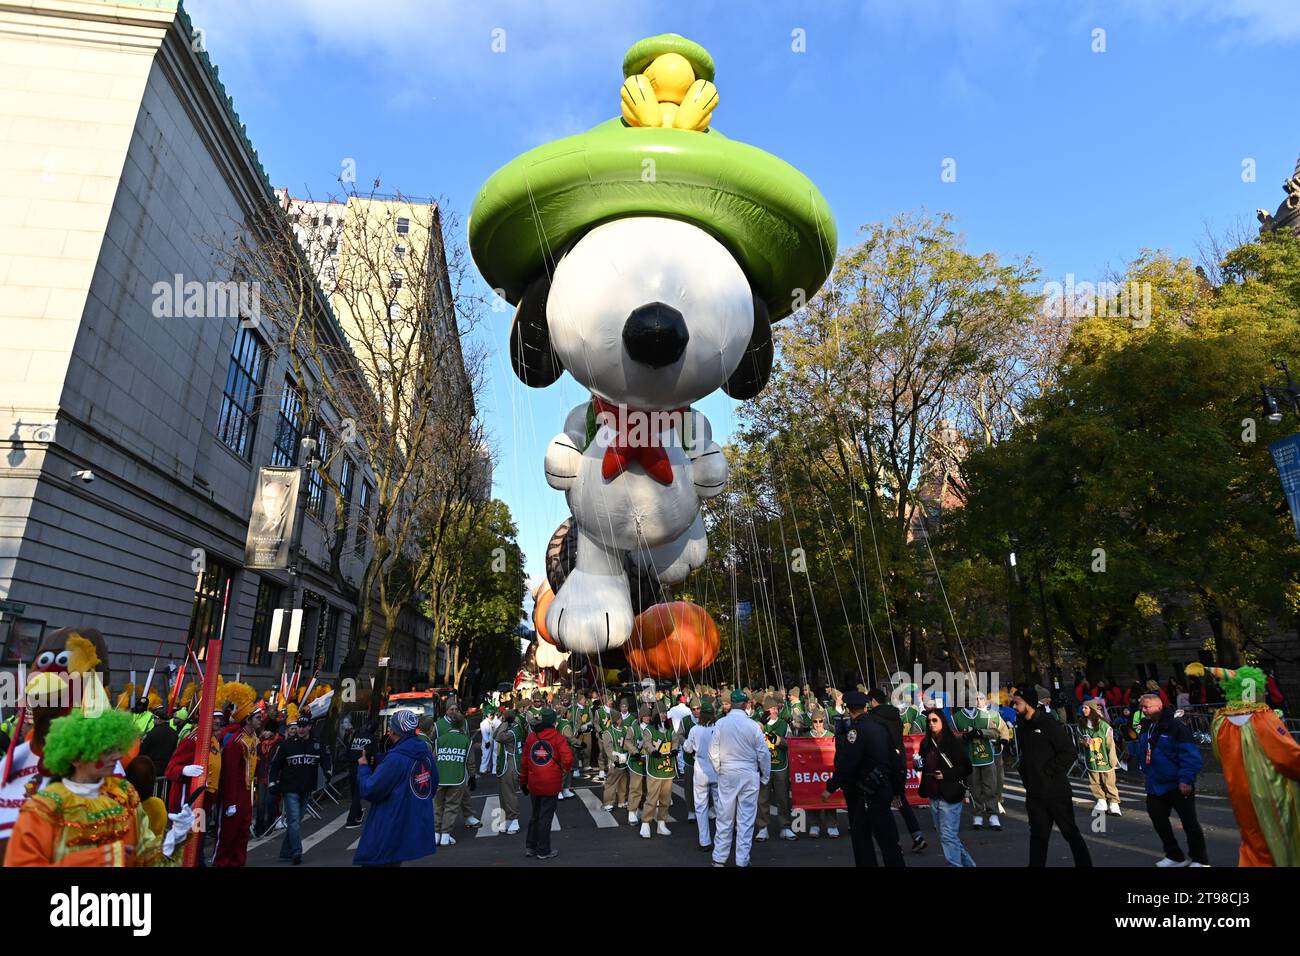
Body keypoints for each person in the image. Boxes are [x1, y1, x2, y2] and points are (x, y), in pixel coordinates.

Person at [4, 710, 193, 867]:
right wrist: (100, 859)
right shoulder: (45, 807)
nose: (118, 756)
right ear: (76, 758)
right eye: (106, 750)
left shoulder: (123, 794)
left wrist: (174, 839)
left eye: (117, 748)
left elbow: (146, 858)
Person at [822, 690, 903, 867]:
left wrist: (831, 787)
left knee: (862, 841)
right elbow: (895, 760)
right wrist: (897, 790)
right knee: (888, 840)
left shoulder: (856, 731)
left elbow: (848, 763)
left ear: (849, 709)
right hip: (883, 787)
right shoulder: (881, 726)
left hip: (862, 793)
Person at [1013, 687, 1092, 867]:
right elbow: (1027, 757)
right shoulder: (1023, 726)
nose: (1014, 707)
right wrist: (1026, 776)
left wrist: (1049, 771)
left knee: (1070, 832)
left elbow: (1068, 752)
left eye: (1017, 703)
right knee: (1038, 835)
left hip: (1055, 791)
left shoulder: (1048, 723)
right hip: (1035, 793)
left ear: (1029, 703)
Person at [353, 710, 437, 866]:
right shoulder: (425, 753)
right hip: (409, 823)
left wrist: (363, 768)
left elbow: (370, 789)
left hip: (389, 825)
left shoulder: (396, 759)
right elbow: (430, 787)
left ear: (392, 731)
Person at [1135, 692, 1208, 867]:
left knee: (1189, 822)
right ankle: (1175, 855)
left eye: (1146, 707)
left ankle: (1200, 859)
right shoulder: (1147, 727)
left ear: (1158, 707)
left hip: (1177, 783)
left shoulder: (1176, 727)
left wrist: (1186, 779)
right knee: (1158, 819)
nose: (1142, 710)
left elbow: (1190, 755)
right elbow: (1144, 751)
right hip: (1155, 783)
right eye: (1141, 707)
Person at [707, 690, 769, 867]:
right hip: (749, 773)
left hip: (728, 772)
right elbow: (763, 754)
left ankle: (719, 857)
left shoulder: (721, 723)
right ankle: (742, 860)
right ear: (745, 704)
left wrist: (720, 769)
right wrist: (765, 775)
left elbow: (713, 752)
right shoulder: (752, 725)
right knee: (746, 819)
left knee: (724, 817)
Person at [867, 688, 925, 851]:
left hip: (882, 764)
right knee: (901, 800)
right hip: (899, 764)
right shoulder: (896, 717)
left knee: (883, 806)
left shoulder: (873, 719)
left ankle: (895, 842)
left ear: (873, 701)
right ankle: (917, 835)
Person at [270, 715, 329, 864]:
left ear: (309, 727)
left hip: (307, 787)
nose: (301, 729)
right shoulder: (287, 745)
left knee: (297, 821)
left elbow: (325, 759)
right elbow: (275, 764)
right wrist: (272, 782)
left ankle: (285, 851)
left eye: (304, 726)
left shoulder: (316, 744)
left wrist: (328, 772)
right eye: (299, 726)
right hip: (290, 787)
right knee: (294, 820)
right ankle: (297, 851)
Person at [919, 711, 976, 866]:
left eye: (935, 720)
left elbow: (966, 768)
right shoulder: (926, 743)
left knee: (948, 836)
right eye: (929, 720)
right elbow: (924, 766)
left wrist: (945, 774)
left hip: (950, 794)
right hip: (933, 794)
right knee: (947, 836)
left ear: (942, 721)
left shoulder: (953, 742)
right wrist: (920, 765)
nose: (931, 723)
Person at [214, 683, 259, 867]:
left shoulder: (254, 738)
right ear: (248, 719)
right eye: (256, 717)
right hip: (235, 795)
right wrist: (231, 801)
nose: (260, 719)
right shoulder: (235, 743)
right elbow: (230, 774)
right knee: (227, 836)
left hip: (246, 794)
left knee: (242, 834)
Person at [519, 707, 571, 860]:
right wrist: (563, 770)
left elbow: (524, 762)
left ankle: (531, 846)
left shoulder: (531, 737)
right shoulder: (557, 737)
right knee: (545, 818)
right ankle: (543, 850)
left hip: (534, 782)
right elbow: (567, 759)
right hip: (551, 783)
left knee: (535, 815)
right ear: (554, 722)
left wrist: (523, 782)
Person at [953, 692, 1004, 831]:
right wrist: (964, 735)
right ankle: (977, 814)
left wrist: (981, 732)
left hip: (986, 756)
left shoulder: (984, 715)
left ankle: (993, 814)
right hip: (969, 757)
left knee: (990, 786)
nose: (972, 702)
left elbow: (995, 732)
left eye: (974, 700)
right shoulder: (957, 717)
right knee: (974, 787)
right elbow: (953, 735)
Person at [433, 714, 478, 845]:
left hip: (439, 778)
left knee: (437, 806)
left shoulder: (440, 739)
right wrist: (472, 776)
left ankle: (436, 834)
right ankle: (445, 835)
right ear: (462, 725)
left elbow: (433, 758)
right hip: (457, 778)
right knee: (451, 807)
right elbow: (470, 762)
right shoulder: (466, 741)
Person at [756, 694, 795, 841]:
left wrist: (778, 740)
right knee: (762, 798)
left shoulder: (784, 725)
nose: (774, 711)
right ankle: (762, 828)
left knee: (783, 797)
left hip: (780, 766)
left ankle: (785, 827)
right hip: (764, 767)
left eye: (775, 708)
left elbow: (790, 743)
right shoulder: (758, 724)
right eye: (771, 709)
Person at [636, 705, 676, 838]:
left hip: (668, 769)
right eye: (660, 713)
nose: (663, 715)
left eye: (665, 712)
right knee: (652, 797)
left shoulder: (670, 729)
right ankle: (645, 823)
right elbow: (646, 743)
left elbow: (675, 740)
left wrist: (675, 749)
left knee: (665, 798)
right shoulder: (649, 729)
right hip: (654, 768)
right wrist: (653, 751)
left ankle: (661, 823)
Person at [1080, 698, 1121, 817]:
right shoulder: (1082, 725)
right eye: (1083, 708)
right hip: (1092, 758)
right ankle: (1101, 800)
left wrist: (1112, 759)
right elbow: (1080, 740)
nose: (1083, 710)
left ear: (1092, 710)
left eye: (1086, 708)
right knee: (1094, 781)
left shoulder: (1104, 726)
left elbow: (1110, 744)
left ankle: (1114, 803)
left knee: (1109, 781)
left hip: (1105, 758)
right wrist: (1084, 743)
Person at [803, 707, 838, 838]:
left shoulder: (830, 736)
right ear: (811, 723)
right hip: (812, 772)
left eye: (820, 721)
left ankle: (832, 825)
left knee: (829, 795)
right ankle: (814, 824)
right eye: (815, 722)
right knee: (812, 796)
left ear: (824, 722)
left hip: (827, 772)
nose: (818, 724)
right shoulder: (805, 737)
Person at [493, 709, 526, 834]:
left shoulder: (512, 730)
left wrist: (505, 723)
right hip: (506, 764)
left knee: (509, 794)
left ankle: (514, 820)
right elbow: (495, 734)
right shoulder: (513, 727)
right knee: (503, 794)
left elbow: (497, 737)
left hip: (511, 765)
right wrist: (504, 723)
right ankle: (507, 819)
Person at [343, 714, 376, 829]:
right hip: (362, 766)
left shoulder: (356, 736)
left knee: (354, 793)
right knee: (357, 794)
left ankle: (357, 813)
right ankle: (351, 820)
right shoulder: (372, 739)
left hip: (352, 766)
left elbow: (348, 750)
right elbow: (374, 755)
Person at [254, 718, 283, 837]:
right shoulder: (260, 744)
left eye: (268, 730)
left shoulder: (279, 743)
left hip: (273, 777)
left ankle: (270, 825)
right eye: (265, 730)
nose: (266, 733)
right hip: (261, 777)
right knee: (260, 803)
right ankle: (259, 826)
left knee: (270, 802)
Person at [625, 705, 651, 826]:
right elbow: (627, 741)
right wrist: (634, 751)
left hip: (649, 762)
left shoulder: (652, 728)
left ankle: (641, 808)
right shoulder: (633, 728)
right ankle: (631, 811)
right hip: (636, 761)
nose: (647, 718)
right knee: (635, 788)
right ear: (640, 716)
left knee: (646, 788)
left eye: (649, 715)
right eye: (645, 715)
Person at [600, 711, 630, 811]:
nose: (622, 719)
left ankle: (622, 801)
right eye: (620, 718)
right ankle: (608, 802)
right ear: (616, 720)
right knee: (611, 783)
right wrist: (615, 759)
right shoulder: (608, 732)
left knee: (623, 782)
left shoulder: (624, 730)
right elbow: (608, 749)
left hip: (624, 760)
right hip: (614, 762)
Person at [478, 706, 499, 777]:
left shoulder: (496, 721)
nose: (491, 715)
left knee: (495, 753)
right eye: (490, 714)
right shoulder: (483, 723)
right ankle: (483, 769)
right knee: (486, 754)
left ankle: (494, 769)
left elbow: (499, 728)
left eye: (492, 714)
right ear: (487, 714)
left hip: (495, 739)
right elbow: (484, 733)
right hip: (487, 739)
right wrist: (487, 741)